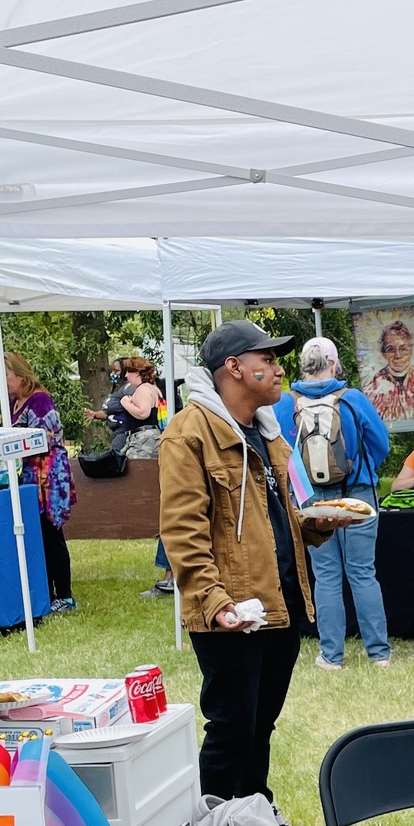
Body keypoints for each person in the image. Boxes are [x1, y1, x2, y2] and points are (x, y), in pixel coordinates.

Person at [158, 319, 362, 800]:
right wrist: (213, 600)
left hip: (279, 602)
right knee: (231, 727)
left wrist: (319, 522)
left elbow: (275, 514)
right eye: (266, 360)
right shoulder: (189, 433)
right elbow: (182, 531)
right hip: (233, 610)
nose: (278, 369)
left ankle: (254, 817)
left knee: (260, 724)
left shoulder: (269, 433)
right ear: (234, 368)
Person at [276, 336, 391, 672]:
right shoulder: (352, 399)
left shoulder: (284, 404)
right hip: (357, 493)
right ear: (334, 364)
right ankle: (379, 654)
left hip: (311, 499)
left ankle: (332, 656)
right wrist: (360, 470)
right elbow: (381, 444)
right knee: (363, 572)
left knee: (325, 576)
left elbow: (281, 454)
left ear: (303, 366)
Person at [6, 352, 77, 612]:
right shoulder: (13, 402)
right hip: (28, 473)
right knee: (38, 534)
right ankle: (46, 592)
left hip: (48, 474)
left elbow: (44, 439)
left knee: (51, 533)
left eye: (6, 375)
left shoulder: (40, 400)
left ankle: (65, 595)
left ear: (20, 374)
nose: (2, 381)